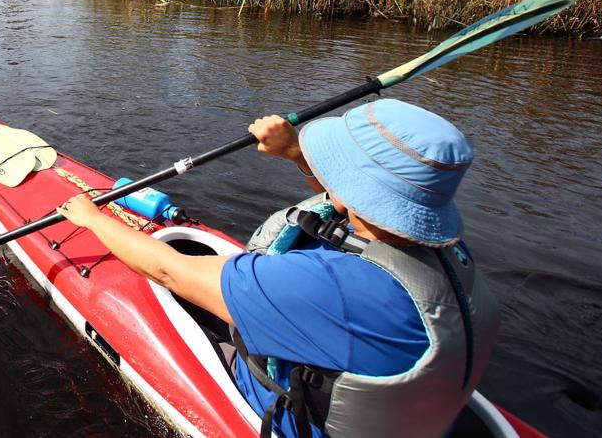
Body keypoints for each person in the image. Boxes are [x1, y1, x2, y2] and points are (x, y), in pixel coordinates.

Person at [57, 99, 499, 438]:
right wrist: (298, 155)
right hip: (409, 413)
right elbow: (354, 210)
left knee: (187, 303)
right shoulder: (453, 254)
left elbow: (170, 270)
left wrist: (91, 217)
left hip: (294, 416)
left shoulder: (325, 287)